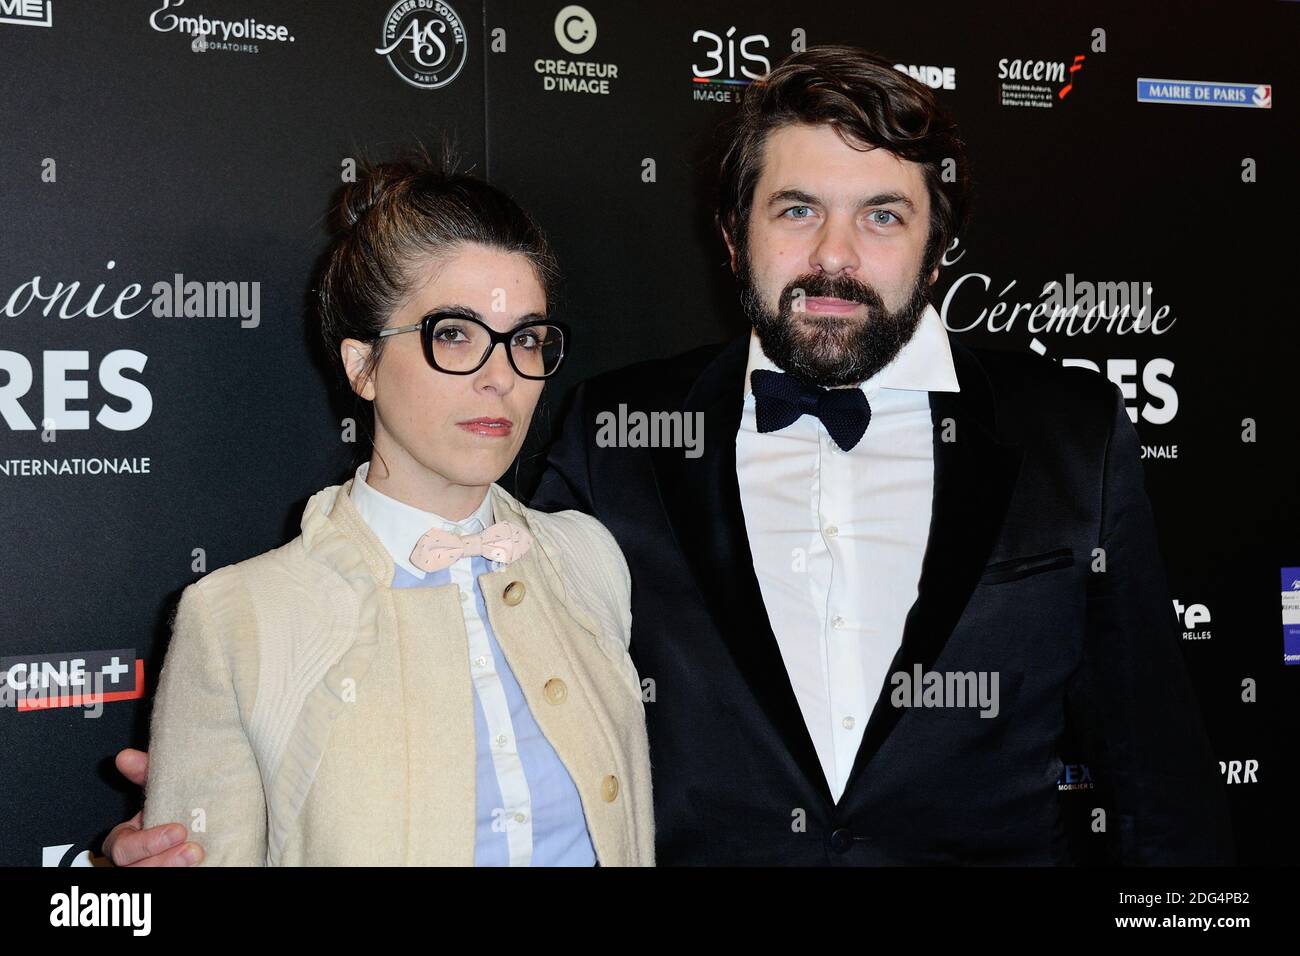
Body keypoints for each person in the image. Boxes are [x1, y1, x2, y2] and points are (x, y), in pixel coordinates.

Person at [109, 44, 1233, 867]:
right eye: (795, 208)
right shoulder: (615, 432)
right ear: (732, 230)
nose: (834, 255)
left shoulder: (1066, 435)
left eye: (882, 215)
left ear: (936, 243)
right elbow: (479, 628)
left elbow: (1162, 783)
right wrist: (239, 779)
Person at [110, 153, 653, 866]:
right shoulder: (237, 619)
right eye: (453, 334)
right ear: (361, 366)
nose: (500, 378)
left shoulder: (589, 560)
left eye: (525, 339)